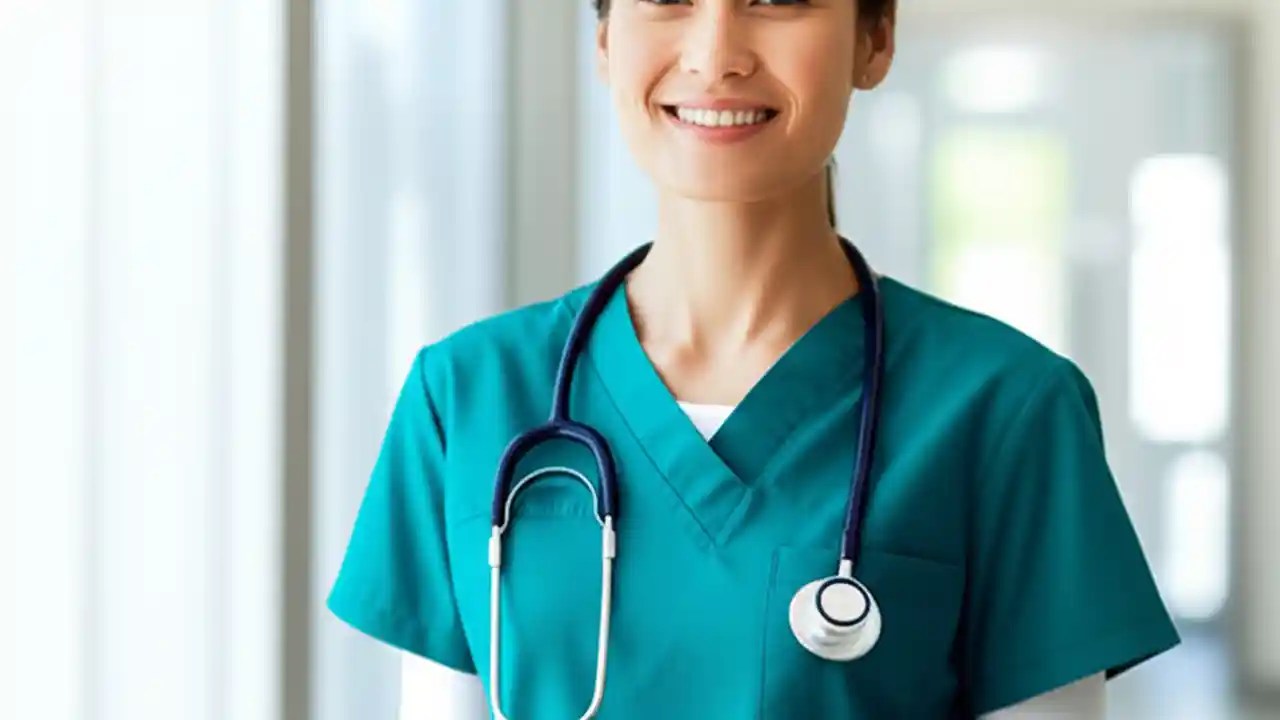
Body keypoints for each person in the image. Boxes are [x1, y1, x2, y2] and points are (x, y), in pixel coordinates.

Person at [326, 0, 1181, 717]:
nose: (716, 53)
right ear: (602, 41)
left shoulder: (1006, 411)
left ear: (874, 40)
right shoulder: (467, 398)